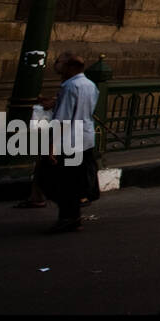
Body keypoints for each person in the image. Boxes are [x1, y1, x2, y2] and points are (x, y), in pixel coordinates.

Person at [46, 52, 100, 233]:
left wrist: (52, 146)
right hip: (85, 137)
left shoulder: (70, 87)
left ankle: (67, 217)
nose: (57, 67)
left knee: (64, 181)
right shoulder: (90, 85)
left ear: (70, 67)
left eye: (60, 63)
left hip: (70, 139)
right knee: (74, 180)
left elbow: (63, 119)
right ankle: (73, 218)